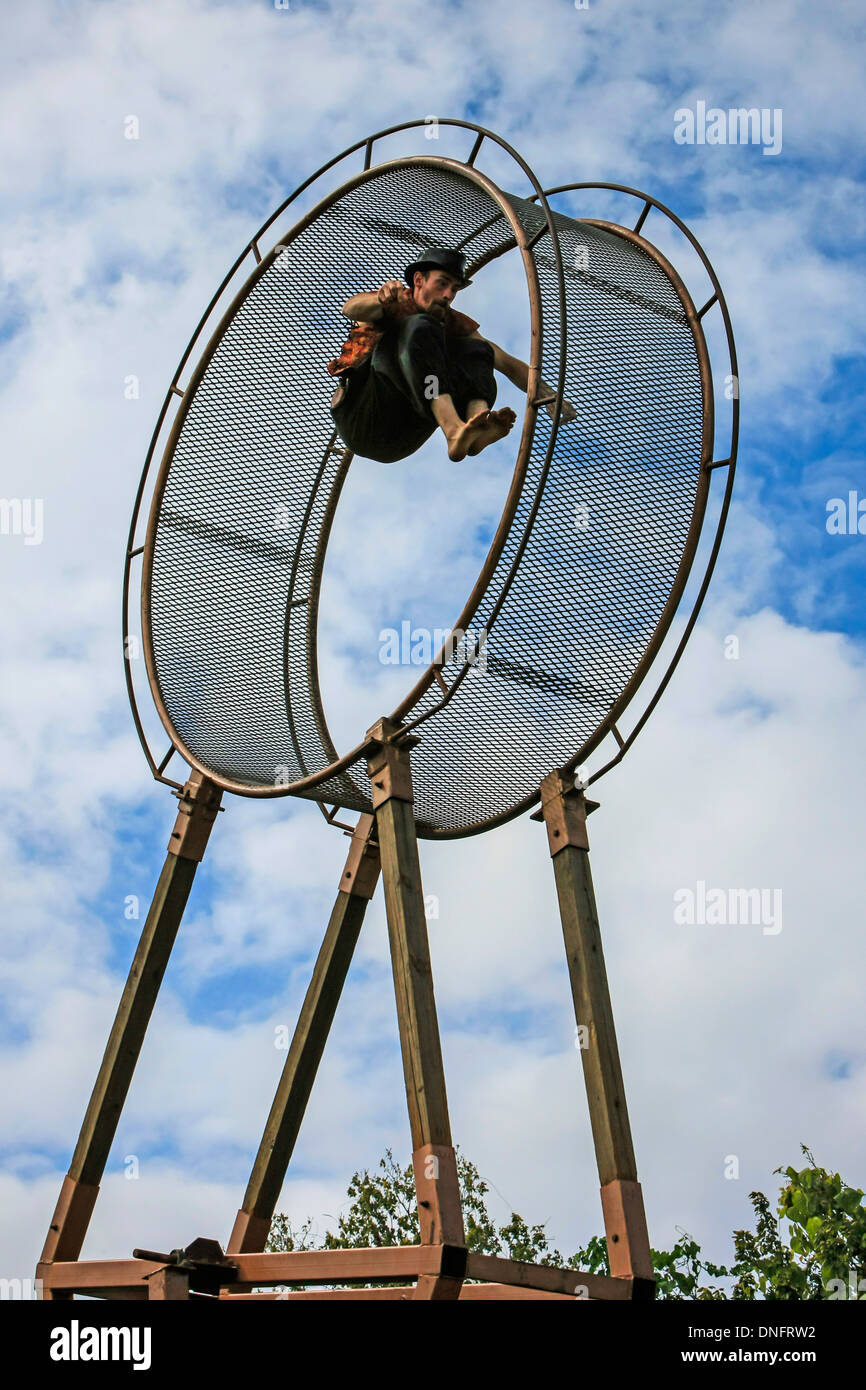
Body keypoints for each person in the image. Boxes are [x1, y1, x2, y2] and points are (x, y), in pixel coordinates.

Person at [326, 247, 575, 464]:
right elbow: (351, 308)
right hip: (363, 416)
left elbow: (507, 364)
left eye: (454, 289)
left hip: (401, 434)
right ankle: (453, 429)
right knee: (419, 326)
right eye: (442, 283)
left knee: (478, 349)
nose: (448, 295)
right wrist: (381, 301)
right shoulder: (395, 302)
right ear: (419, 280)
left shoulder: (452, 323)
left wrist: (547, 394)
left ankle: (475, 427)